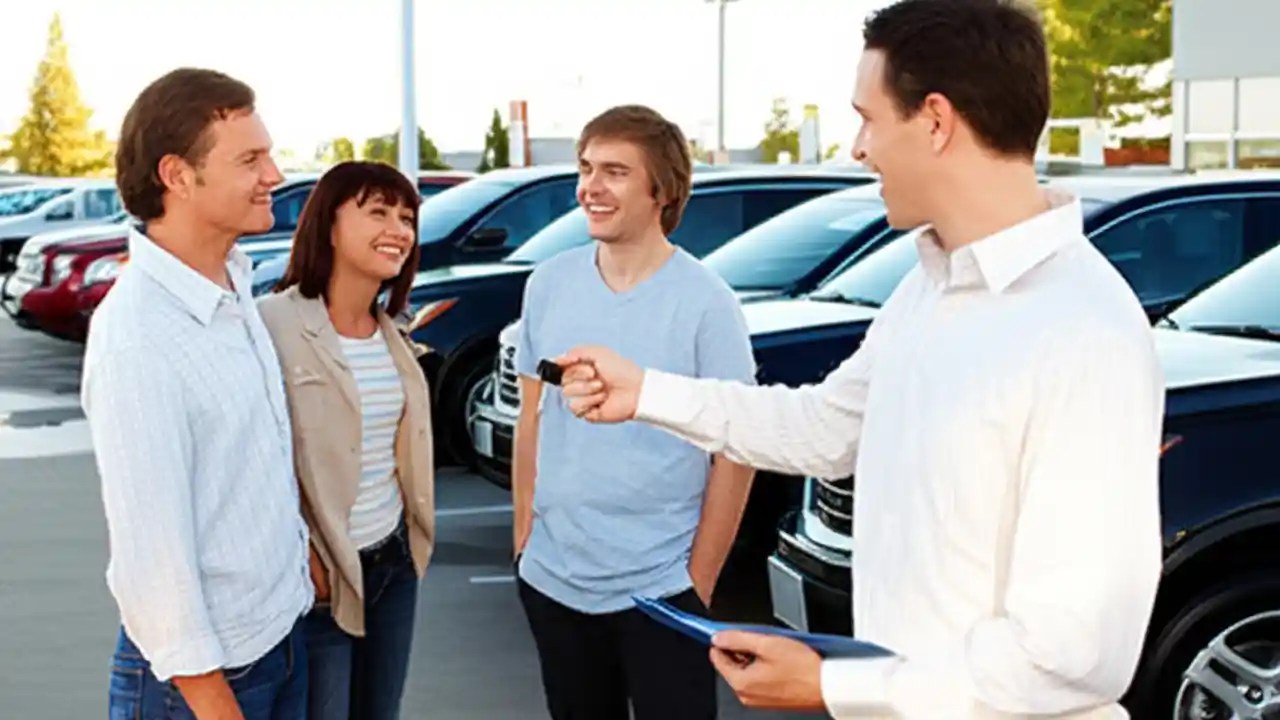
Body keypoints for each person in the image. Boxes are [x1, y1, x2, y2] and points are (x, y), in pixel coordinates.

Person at [553, 1, 1166, 718]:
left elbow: (1073, 656)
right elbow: (825, 427)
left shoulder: (1083, 328)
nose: (858, 148)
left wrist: (831, 686)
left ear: (935, 121)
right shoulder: (927, 290)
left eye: (868, 118)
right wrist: (646, 392)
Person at [512, 104, 758, 720]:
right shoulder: (547, 283)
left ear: (662, 191)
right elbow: (532, 417)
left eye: (615, 172)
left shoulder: (708, 303)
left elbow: (737, 448)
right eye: (586, 167)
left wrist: (698, 581)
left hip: (663, 591)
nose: (591, 187)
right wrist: (524, 539)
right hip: (554, 581)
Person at [83, 68, 313, 719]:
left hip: (277, 644)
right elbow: (150, 557)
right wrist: (213, 703)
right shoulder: (139, 335)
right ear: (178, 176)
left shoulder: (232, 284)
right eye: (250, 159)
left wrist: (298, 563)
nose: (274, 173)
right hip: (202, 685)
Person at [257, 161, 436, 720]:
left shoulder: (394, 333)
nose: (398, 229)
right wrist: (302, 551)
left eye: (407, 217)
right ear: (328, 225)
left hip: (393, 564)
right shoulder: (272, 323)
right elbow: (253, 456)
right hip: (319, 576)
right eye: (378, 212)